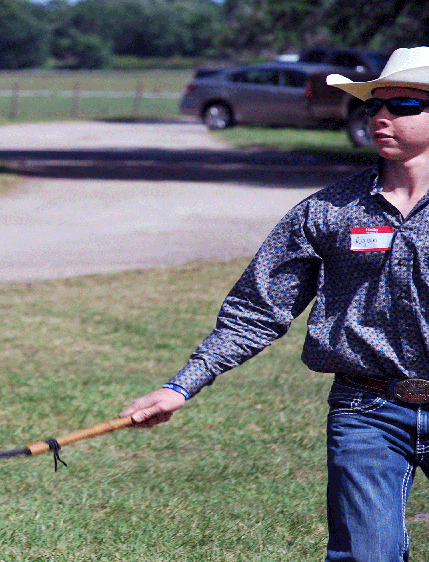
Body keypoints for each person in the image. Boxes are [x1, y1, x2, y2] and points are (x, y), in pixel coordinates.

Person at [120, 46, 429, 562]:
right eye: (375, 104)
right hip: (367, 409)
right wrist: (182, 386)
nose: (380, 116)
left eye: (402, 106)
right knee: (366, 557)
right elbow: (257, 309)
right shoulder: (327, 210)